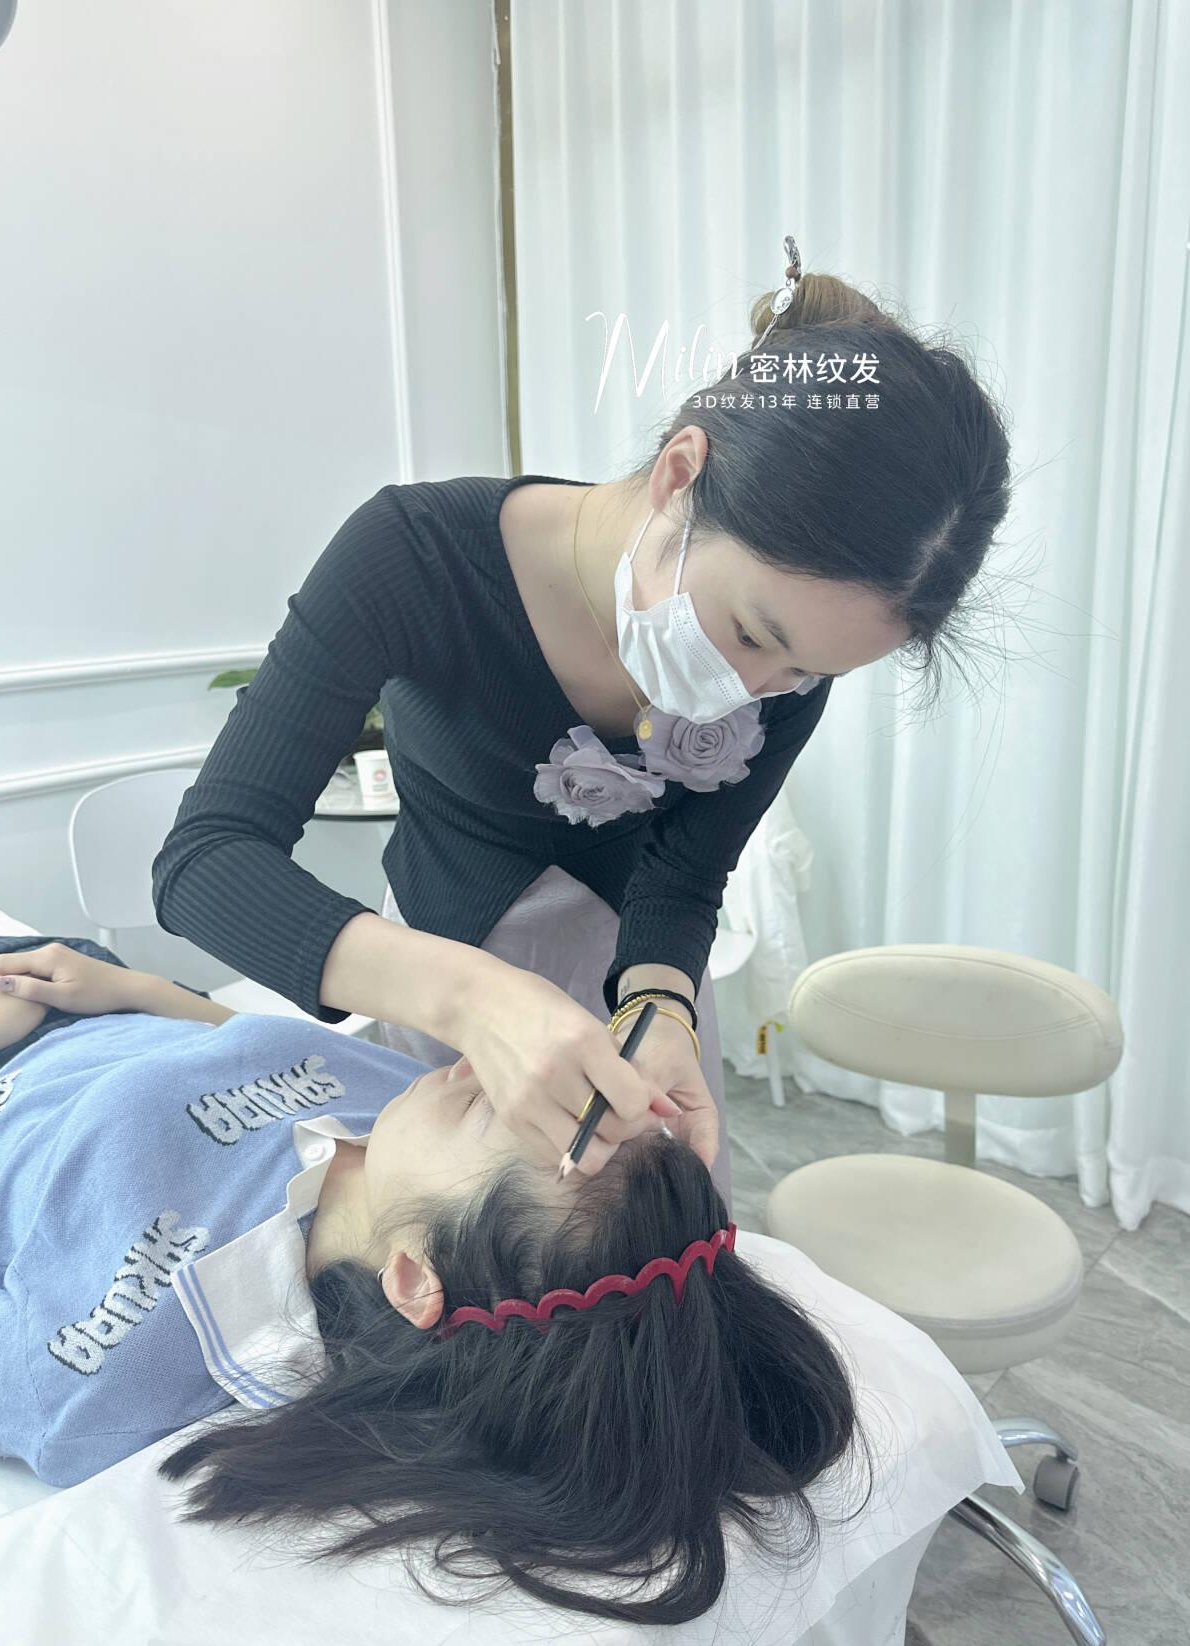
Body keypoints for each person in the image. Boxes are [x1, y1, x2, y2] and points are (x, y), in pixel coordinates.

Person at [151, 240, 1012, 1218]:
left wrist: (659, 1007)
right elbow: (205, 861)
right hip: (439, 963)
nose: (751, 694)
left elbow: (684, 876)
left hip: (632, 984)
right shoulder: (413, 559)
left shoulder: (789, 667)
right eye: (749, 635)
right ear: (679, 472)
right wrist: (470, 998)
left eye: (808, 673)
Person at [0, 934, 868, 1626]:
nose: (486, 1069)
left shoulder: (108, 1365)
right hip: (83, 987)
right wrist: (135, 986)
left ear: (413, 1278)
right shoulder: (411, 1128)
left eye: (488, 1108)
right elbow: (254, 1047)